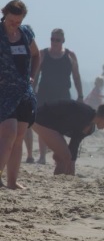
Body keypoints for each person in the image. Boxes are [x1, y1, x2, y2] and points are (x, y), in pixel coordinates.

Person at [26, 28, 83, 165]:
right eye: (52, 39)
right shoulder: (43, 54)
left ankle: (59, 155)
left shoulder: (70, 55)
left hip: (63, 95)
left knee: (60, 126)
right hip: (45, 93)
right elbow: (34, 74)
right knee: (42, 125)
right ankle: (42, 157)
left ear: (63, 40)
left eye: (57, 40)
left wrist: (80, 95)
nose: (54, 42)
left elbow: (76, 76)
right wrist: (30, 91)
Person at [0, 0, 39, 190]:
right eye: (11, 20)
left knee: (19, 137)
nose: (14, 24)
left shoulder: (25, 33)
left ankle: (12, 181)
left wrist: (32, 76)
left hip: (24, 92)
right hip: (3, 93)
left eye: (18, 21)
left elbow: (36, 55)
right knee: (8, 134)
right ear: (4, 14)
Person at [32, 101, 104, 176]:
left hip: (49, 124)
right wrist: (61, 150)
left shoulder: (90, 127)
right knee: (65, 156)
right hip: (40, 117)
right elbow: (61, 125)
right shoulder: (84, 114)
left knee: (66, 157)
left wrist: (71, 163)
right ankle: (59, 182)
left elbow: (74, 143)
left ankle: (60, 181)